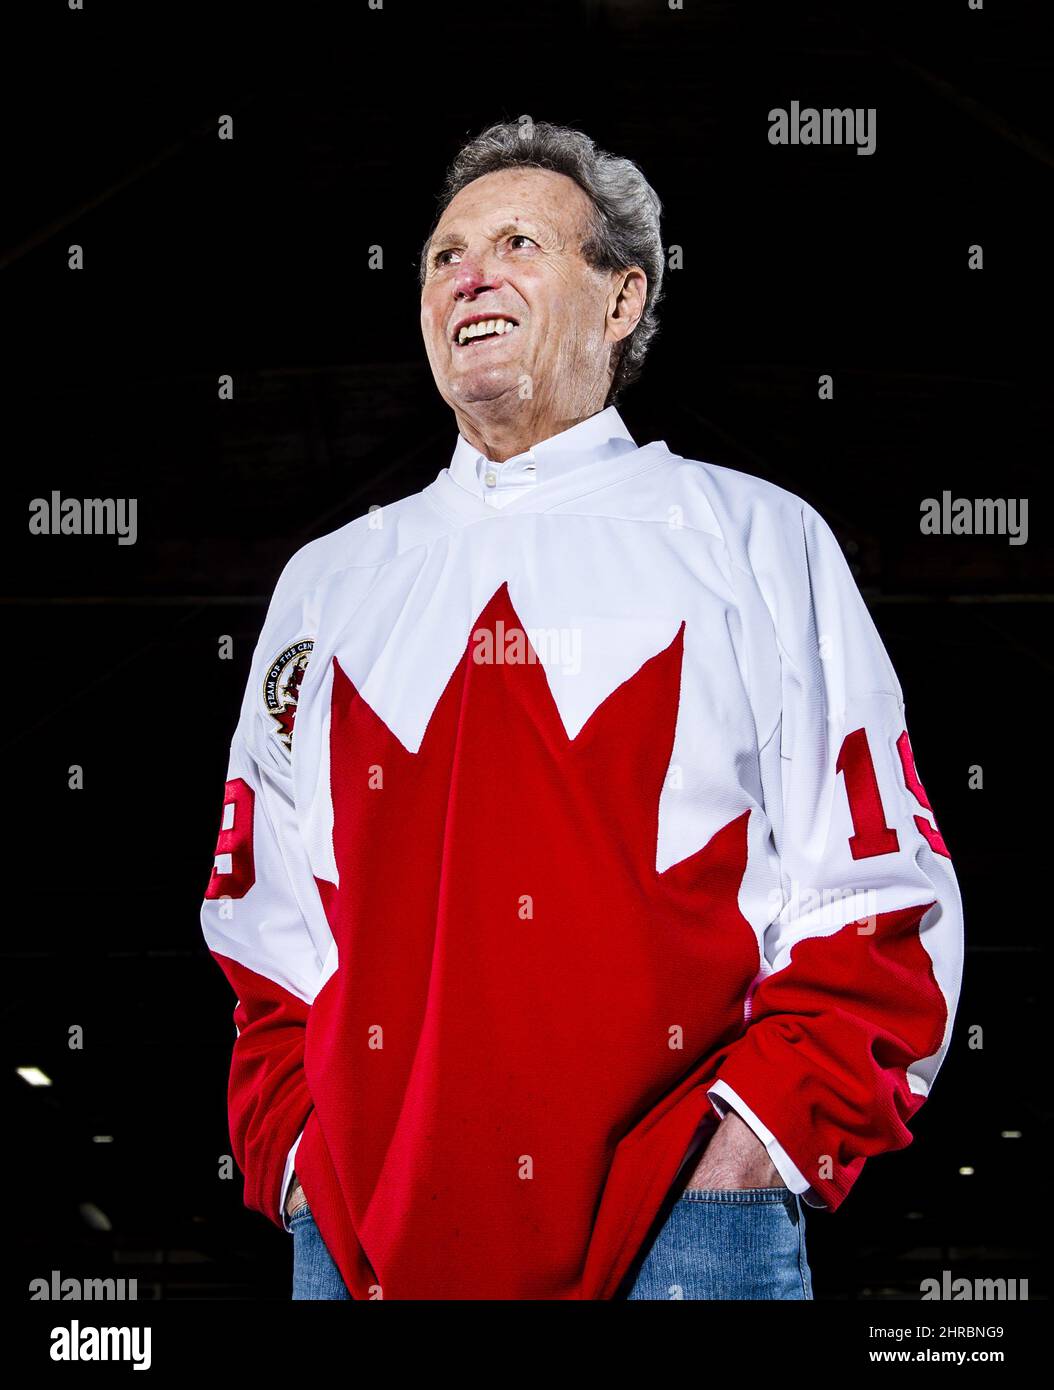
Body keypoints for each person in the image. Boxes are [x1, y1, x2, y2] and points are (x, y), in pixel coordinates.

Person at [199, 119, 963, 1301]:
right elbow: (265, 927)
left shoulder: (752, 535)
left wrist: (755, 1143)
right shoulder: (328, 580)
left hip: (685, 1228)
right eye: (443, 255)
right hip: (362, 1243)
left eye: (516, 242)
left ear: (620, 300)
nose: (469, 274)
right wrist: (298, 1155)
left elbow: (875, 880)